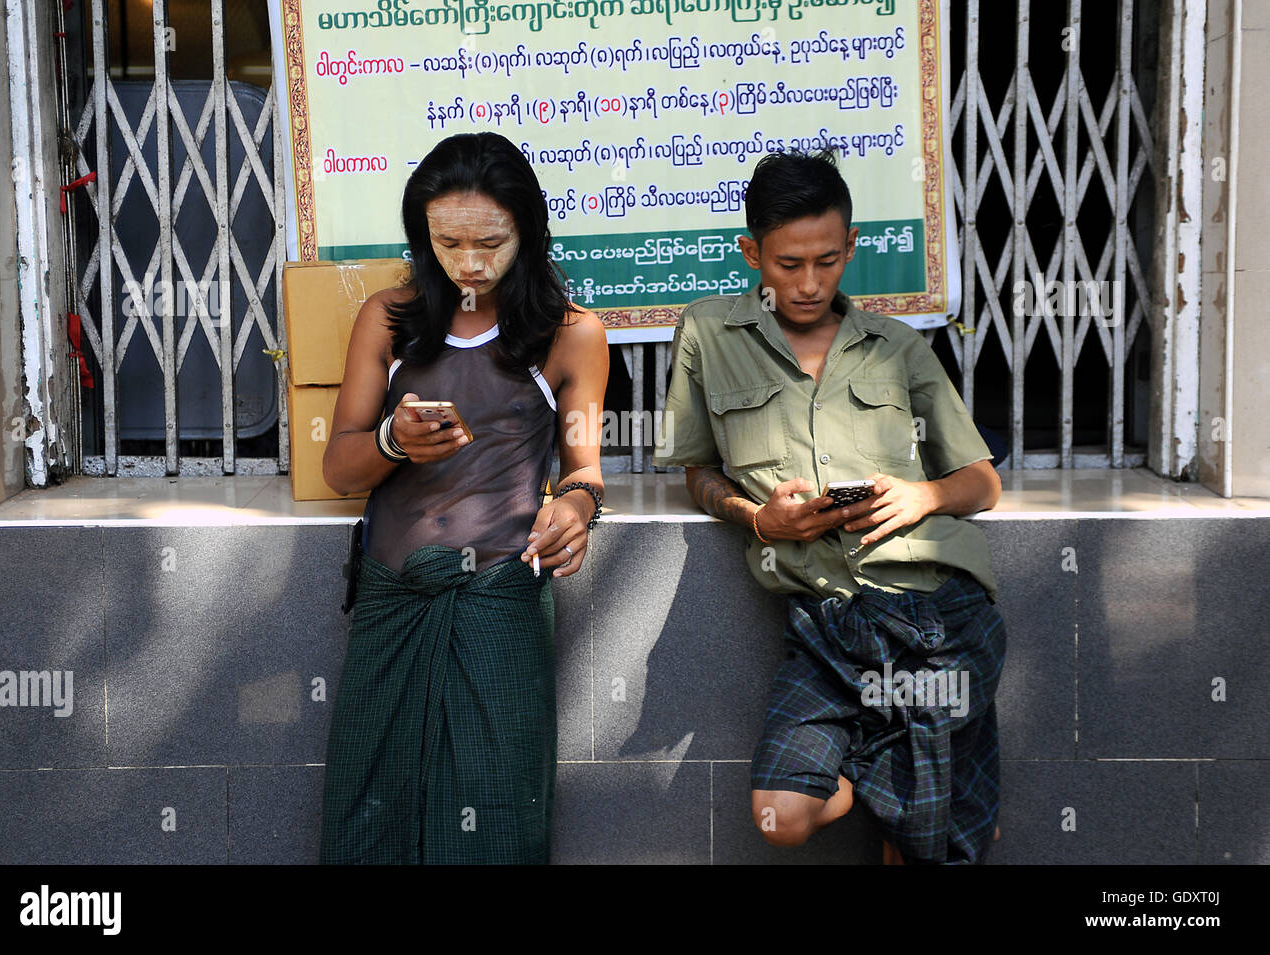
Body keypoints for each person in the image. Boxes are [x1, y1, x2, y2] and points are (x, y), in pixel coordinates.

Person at [654, 149, 1007, 865]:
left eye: (827, 260)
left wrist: (924, 493)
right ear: (751, 252)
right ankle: (900, 784)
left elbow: (981, 481)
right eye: (787, 264)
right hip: (825, 619)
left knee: (922, 850)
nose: (809, 283)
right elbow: (697, 471)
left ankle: (911, 803)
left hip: (934, 607)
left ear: (850, 247)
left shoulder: (897, 346)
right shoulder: (706, 335)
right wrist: (758, 519)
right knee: (783, 814)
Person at [318, 132, 608, 864]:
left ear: (529, 233)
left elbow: (584, 470)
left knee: (495, 813)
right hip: (392, 596)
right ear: (423, 237)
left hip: (498, 599)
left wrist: (574, 512)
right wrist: (392, 441)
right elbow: (339, 466)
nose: (470, 262)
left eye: (491, 242)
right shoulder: (389, 318)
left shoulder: (570, 335)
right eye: (448, 242)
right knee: (369, 811)